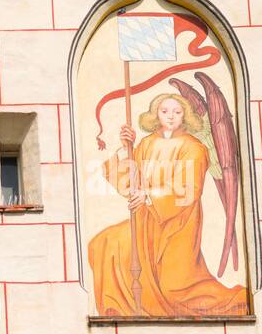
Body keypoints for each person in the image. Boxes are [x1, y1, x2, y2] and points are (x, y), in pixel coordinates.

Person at [89, 92, 247, 318]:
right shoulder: (147, 144)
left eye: (177, 112)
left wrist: (150, 196)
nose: (170, 116)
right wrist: (127, 148)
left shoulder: (194, 148)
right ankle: (118, 310)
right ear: (156, 115)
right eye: (164, 111)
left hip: (177, 224)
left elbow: (188, 188)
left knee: (174, 287)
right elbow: (130, 182)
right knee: (102, 242)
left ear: (185, 116)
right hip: (146, 222)